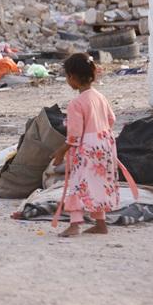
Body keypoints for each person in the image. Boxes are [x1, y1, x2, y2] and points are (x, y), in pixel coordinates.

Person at [51, 53, 137, 237]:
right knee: (98, 183)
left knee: (78, 183)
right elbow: (111, 119)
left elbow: (74, 134)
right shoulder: (100, 97)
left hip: (87, 147)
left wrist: (61, 151)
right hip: (105, 144)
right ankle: (100, 223)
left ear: (72, 77)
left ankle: (75, 224)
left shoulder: (76, 103)